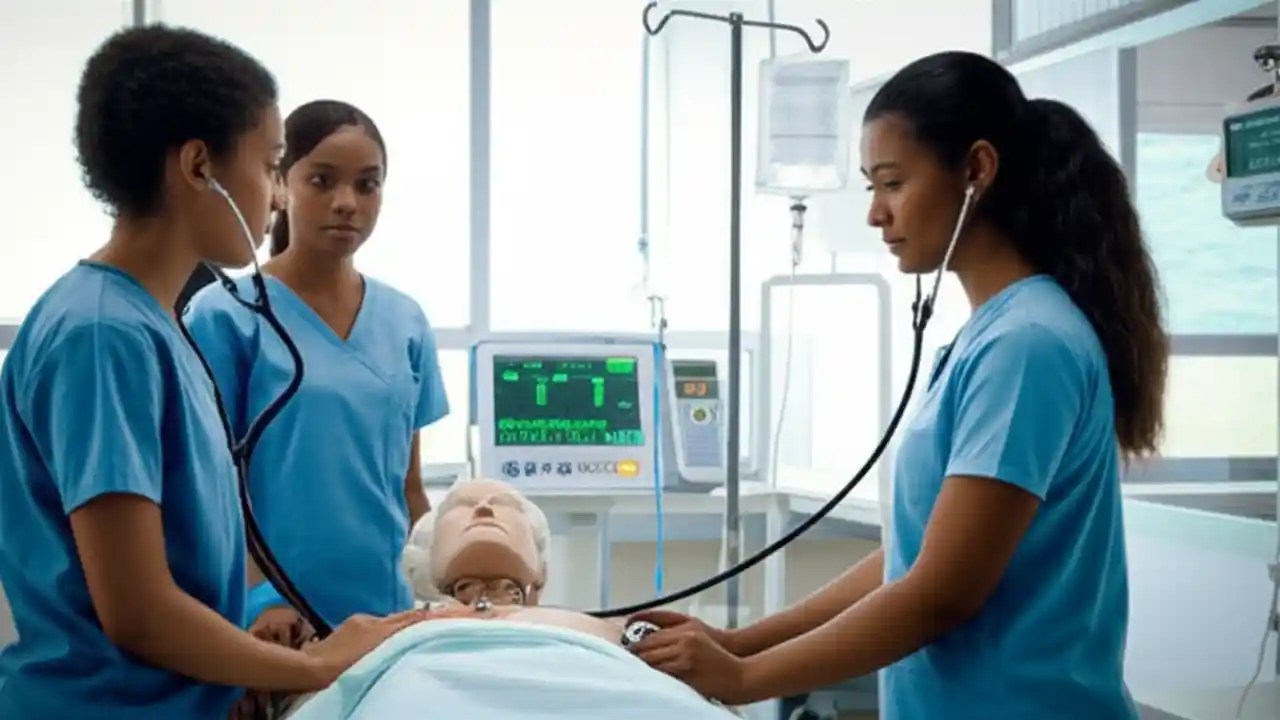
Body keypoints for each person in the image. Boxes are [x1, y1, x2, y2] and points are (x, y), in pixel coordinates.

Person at [628, 50, 1168, 720]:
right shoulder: (989, 338)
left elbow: (943, 593)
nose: (875, 215)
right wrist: (738, 643)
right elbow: (914, 556)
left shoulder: (1028, 345)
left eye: (891, 182)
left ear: (976, 170)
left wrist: (745, 680)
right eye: (870, 188)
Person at [0, 26, 426, 719]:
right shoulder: (103, 336)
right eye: (271, 166)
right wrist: (310, 662)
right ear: (199, 166)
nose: (277, 199)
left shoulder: (153, 325)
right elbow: (138, 611)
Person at [184, 100, 449, 638]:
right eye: (322, 181)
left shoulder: (406, 320)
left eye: (367, 185)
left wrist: (454, 582)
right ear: (281, 185)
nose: (346, 203)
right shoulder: (226, 315)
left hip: (386, 620)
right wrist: (262, 602)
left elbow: (409, 489)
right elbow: (204, 492)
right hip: (269, 625)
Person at [237, 478, 741, 719]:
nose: (482, 505)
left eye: (503, 506)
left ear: (540, 569)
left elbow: (705, 684)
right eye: (461, 506)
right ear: (427, 564)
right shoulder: (380, 631)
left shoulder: (608, 629)